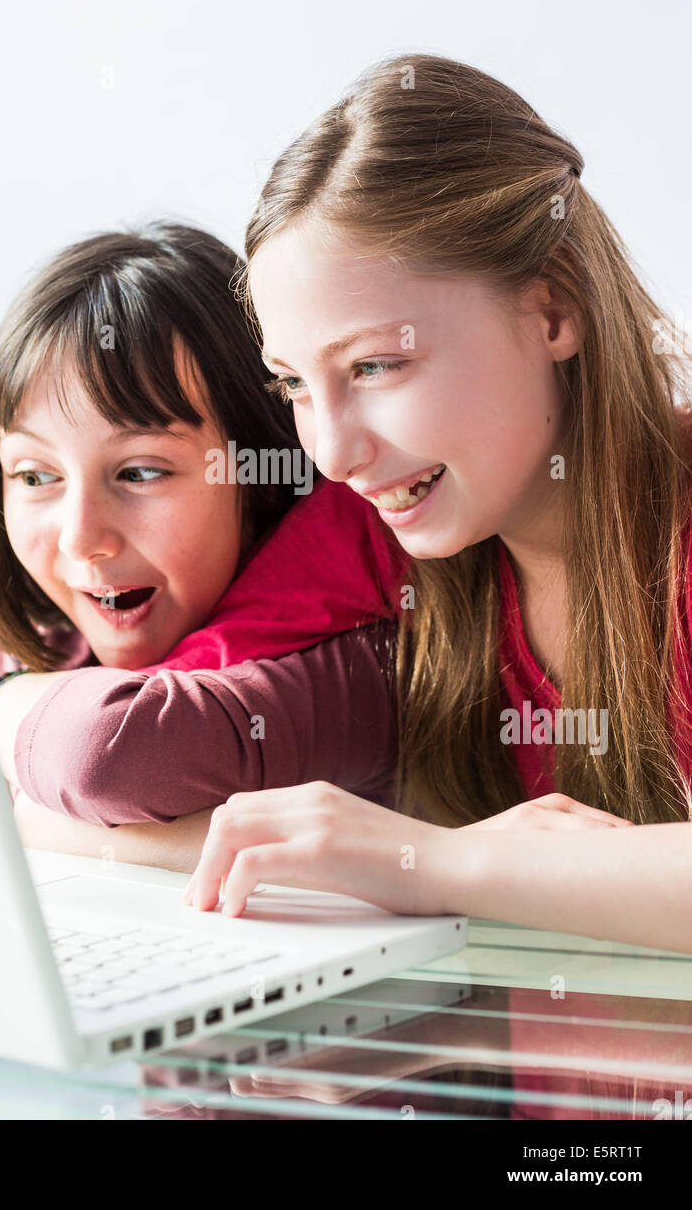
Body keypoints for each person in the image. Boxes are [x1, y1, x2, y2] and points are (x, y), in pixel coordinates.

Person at [184, 54, 692, 954]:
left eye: (377, 365)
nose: (334, 453)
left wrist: (437, 863)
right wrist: (8, 701)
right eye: (296, 384)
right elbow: (119, 746)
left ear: (553, 307)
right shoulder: (390, 520)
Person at [0, 223, 405, 869]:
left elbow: (100, 753)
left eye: (141, 472)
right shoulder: (43, 629)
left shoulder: (345, 659)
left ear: (263, 473)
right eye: (36, 477)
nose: (82, 538)